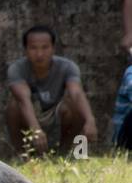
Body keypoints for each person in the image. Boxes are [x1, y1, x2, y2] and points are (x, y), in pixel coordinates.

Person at [6, 25, 99, 156]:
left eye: (45, 47)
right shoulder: (17, 69)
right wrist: (36, 129)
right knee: (13, 106)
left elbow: (77, 93)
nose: (39, 54)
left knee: (74, 106)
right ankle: (21, 153)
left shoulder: (67, 66)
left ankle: (64, 151)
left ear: (53, 48)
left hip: (57, 112)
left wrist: (90, 119)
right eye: (33, 48)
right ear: (26, 50)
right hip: (30, 112)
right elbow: (23, 100)